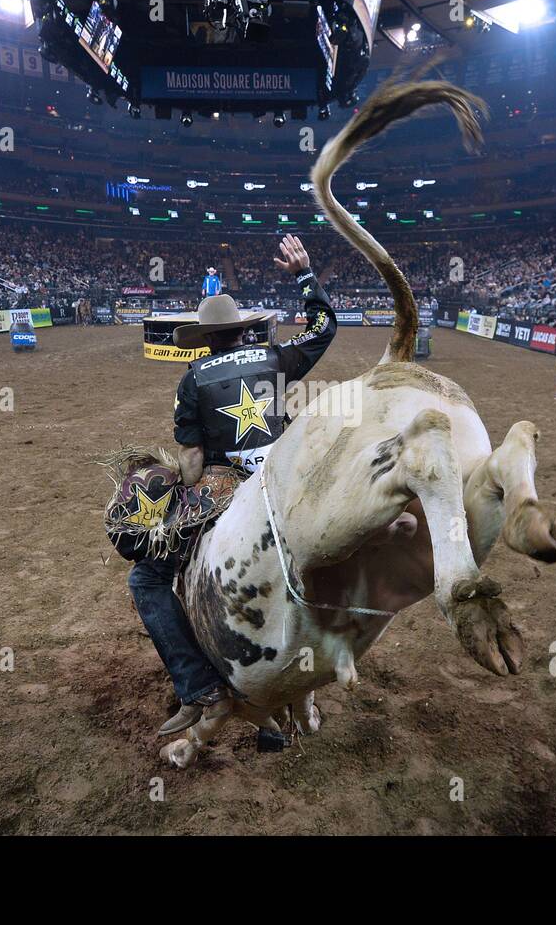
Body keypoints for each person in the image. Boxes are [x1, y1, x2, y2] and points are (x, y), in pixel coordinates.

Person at [128, 235, 337, 737]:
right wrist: (305, 275)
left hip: (225, 484)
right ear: (242, 331)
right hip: (286, 482)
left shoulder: (193, 378)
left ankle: (197, 688)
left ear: (206, 338)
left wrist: (173, 487)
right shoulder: (274, 358)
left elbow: (194, 459)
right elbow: (324, 327)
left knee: (148, 579)